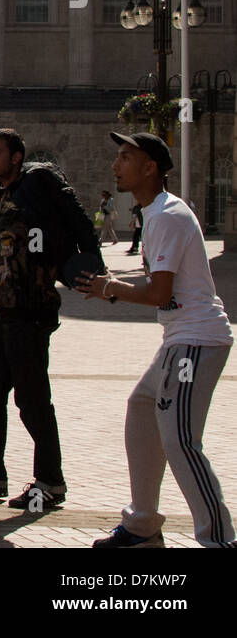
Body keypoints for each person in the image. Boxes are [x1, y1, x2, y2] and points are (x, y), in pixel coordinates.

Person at [77, 133, 234, 548]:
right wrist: (111, 284)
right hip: (182, 338)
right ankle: (142, 526)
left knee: (180, 441)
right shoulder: (158, 212)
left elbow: (159, 294)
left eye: (126, 157)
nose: (116, 165)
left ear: (150, 168)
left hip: (197, 340)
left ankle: (219, 540)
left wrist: (111, 287)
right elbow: (159, 283)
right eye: (117, 157)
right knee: (142, 409)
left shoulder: (166, 215)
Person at [0, 129, 102, 512]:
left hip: (33, 311)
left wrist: (91, 265)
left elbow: (79, 221)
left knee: (33, 403)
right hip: (4, 311)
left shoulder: (37, 182)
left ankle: (50, 482)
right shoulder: (0, 195)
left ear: (16, 156)